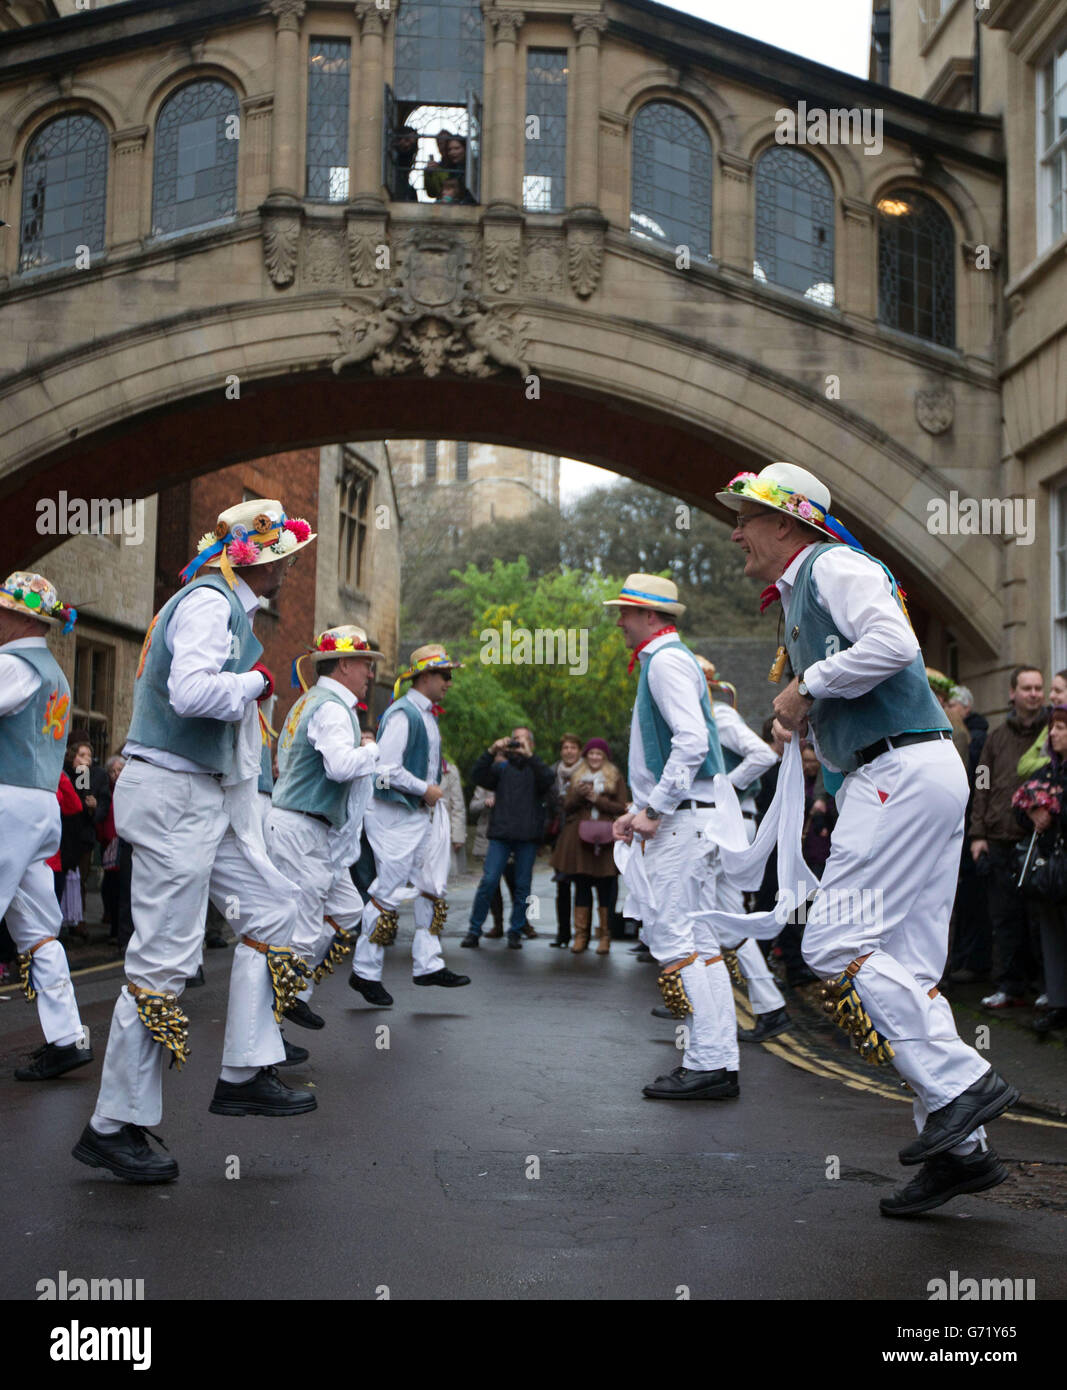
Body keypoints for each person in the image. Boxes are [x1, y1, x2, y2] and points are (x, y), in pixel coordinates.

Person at [720, 461, 1018, 1217]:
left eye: (746, 516)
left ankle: (960, 1083)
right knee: (910, 968)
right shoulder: (808, 585)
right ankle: (959, 1151)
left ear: (786, 523)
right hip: (910, 769)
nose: (735, 530)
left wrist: (805, 687)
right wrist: (801, 715)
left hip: (897, 773)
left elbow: (893, 644)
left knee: (829, 945)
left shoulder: (834, 564)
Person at [73, 498, 318, 1185]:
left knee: (273, 909)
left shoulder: (222, 605)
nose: (290, 567)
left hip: (200, 794)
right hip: (177, 794)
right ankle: (112, 1125)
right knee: (162, 961)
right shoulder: (210, 604)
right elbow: (192, 693)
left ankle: (243, 1070)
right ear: (259, 558)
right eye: (283, 556)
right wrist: (259, 681)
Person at [607, 572, 741, 1101]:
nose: (619, 622)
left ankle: (708, 1062)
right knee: (700, 941)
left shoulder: (663, 661)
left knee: (674, 939)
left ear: (649, 616)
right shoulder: (670, 659)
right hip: (694, 815)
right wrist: (642, 808)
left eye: (624, 612)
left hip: (683, 820)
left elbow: (688, 742)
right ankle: (717, 1061)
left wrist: (656, 808)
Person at [0, 571, 93, 1082]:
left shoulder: (11, 664)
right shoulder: (54, 672)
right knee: (38, 928)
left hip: (7, 798)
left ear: (17, 616)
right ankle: (65, 1037)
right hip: (40, 804)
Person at [268, 627, 381, 1028]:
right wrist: (372, 750)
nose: (371, 674)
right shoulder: (333, 707)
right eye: (366, 665)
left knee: (348, 908)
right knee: (300, 929)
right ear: (346, 664)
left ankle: (292, 994)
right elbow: (339, 766)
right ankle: (275, 1021)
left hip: (307, 827)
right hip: (301, 828)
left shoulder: (311, 701)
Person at [353, 644, 470, 1002]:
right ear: (426, 677)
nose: (449, 682)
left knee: (431, 884)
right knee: (387, 890)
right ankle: (365, 970)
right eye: (444, 675)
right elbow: (384, 770)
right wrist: (426, 788)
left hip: (418, 813)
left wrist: (427, 794)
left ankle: (428, 963)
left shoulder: (426, 715)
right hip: (395, 815)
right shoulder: (404, 714)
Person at [695, 657, 787, 1041]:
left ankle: (700, 1001)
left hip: (727, 823)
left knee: (704, 912)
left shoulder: (718, 715)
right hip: (728, 822)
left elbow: (765, 754)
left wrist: (722, 790)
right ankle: (768, 1005)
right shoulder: (706, 716)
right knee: (726, 916)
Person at [969, 665, 1047, 1008]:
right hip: (999, 839)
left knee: (1039, 920)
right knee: (1004, 918)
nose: (1034, 694)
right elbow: (981, 786)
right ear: (1012, 694)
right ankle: (1008, 986)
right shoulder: (995, 739)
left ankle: (1045, 986)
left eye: (1038, 688)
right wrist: (978, 834)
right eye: (1027, 688)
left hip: (1036, 840)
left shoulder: (1051, 734)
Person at [461, 727, 554, 950]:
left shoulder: (536, 768)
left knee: (523, 886)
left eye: (523, 740)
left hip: (527, 836)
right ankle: (474, 930)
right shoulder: (502, 768)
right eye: (515, 740)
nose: (518, 744)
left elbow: (548, 779)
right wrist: (491, 750)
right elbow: (478, 775)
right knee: (489, 881)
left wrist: (529, 756)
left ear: (531, 744)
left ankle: (516, 930)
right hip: (501, 834)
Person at [1013, 705, 1067, 1034]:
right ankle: (1059, 1003)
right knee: (1052, 937)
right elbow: (1019, 808)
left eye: (1061, 727)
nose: (1054, 733)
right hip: (1050, 870)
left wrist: (1053, 809)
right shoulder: (1048, 771)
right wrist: (1033, 812)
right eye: (1053, 728)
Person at [550, 738, 628, 954]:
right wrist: (579, 794)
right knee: (581, 887)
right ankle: (581, 936)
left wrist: (596, 798)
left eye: (599, 754)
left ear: (605, 757)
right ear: (586, 756)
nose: (594, 757)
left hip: (606, 841)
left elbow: (622, 806)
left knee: (606, 889)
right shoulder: (577, 776)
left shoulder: (616, 777)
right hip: (580, 841)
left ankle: (605, 936)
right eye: (591, 754)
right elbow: (565, 806)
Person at [549, 734, 582, 947]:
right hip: (558, 833)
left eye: (573, 747)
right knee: (561, 885)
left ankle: (582, 934)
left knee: (582, 883)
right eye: (565, 748)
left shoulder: (589, 771)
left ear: (579, 751)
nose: (569, 751)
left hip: (581, 832)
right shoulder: (552, 772)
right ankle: (563, 933)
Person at [440, 753, 467, 878]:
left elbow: (458, 806)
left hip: (443, 828)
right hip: (419, 828)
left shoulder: (450, 771)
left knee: (442, 872)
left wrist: (458, 836)